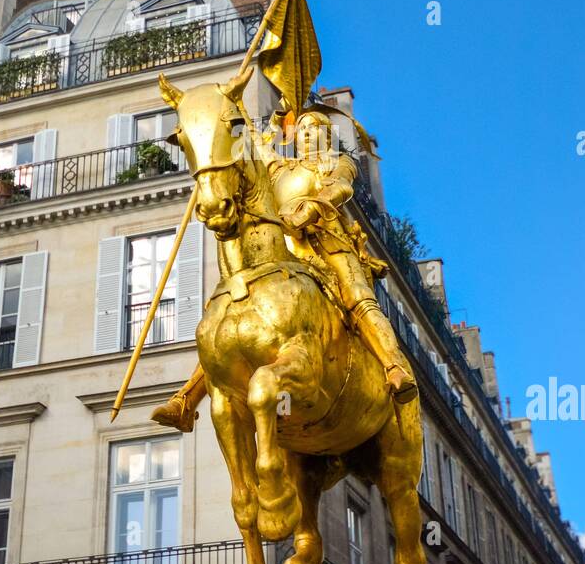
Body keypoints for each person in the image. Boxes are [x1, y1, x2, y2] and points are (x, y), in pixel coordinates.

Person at [151, 109, 418, 433]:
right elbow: (252, 147)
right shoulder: (283, 169)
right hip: (283, 256)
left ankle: (392, 367)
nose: (305, 135)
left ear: (327, 136)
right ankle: (186, 399)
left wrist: (310, 207)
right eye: (301, 130)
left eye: (313, 129)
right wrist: (244, 116)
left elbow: (341, 188)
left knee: (359, 299)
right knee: (227, 318)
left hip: (326, 247)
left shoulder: (336, 162)